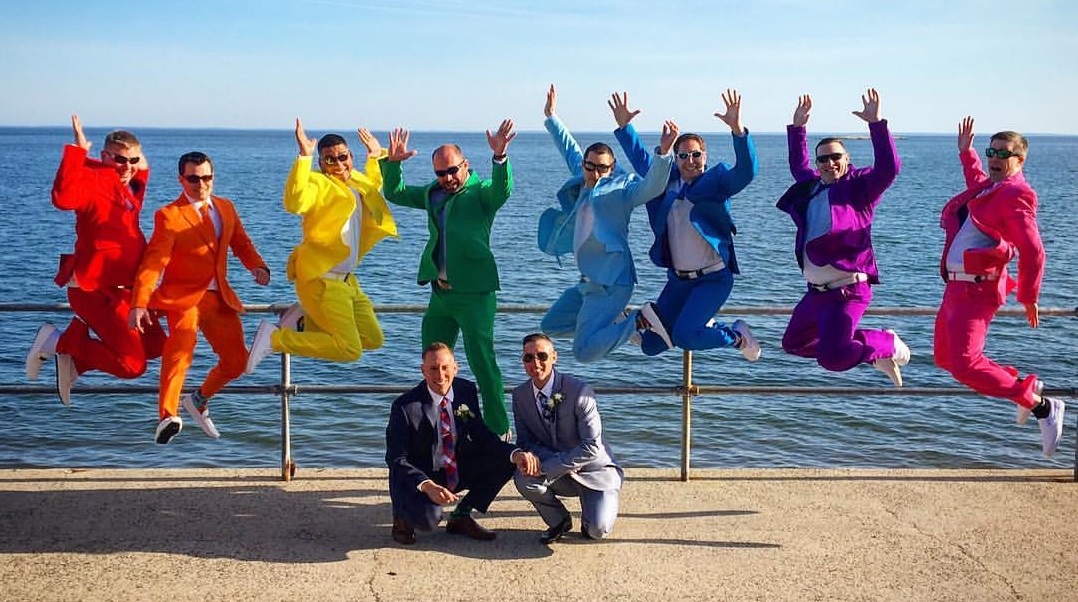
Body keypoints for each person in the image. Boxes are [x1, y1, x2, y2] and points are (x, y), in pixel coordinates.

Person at [934, 117, 1065, 456]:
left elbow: (1034, 250)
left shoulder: (1017, 193)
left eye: (1003, 153)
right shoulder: (992, 187)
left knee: (964, 363)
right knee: (945, 358)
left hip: (978, 291)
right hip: (955, 289)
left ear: (1019, 160)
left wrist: (1028, 296)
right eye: (991, 150)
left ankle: (1041, 405)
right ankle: (1025, 389)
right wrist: (967, 153)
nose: (994, 156)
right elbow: (977, 183)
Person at [379, 121, 517, 437]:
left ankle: (498, 430)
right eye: (441, 173)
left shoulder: (481, 193)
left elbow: (502, 191)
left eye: (452, 170)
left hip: (475, 294)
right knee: (432, 365)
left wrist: (500, 158)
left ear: (465, 165)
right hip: (440, 295)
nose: (448, 178)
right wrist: (393, 164)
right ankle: (434, 429)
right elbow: (395, 192)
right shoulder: (433, 193)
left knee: (482, 363)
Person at [129, 151, 270, 444]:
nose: (201, 183)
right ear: (181, 179)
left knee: (236, 362)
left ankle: (198, 399)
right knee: (180, 352)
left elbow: (241, 243)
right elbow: (154, 263)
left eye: (206, 177)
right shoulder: (169, 216)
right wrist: (139, 302)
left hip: (219, 297)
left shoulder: (225, 208)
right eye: (193, 178)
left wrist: (257, 266)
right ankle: (167, 415)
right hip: (183, 298)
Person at [611, 89, 762, 361]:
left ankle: (737, 336)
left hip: (713, 279)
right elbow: (642, 159)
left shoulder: (717, 182)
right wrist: (625, 127)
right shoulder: (664, 182)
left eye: (695, 155)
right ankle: (649, 321)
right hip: (678, 281)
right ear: (676, 158)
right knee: (651, 346)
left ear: (705, 156)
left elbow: (746, 171)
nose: (690, 161)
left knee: (685, 336)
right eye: (683, 156)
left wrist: (738, 131)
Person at [26, 116, 166, 405]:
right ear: (104, 157)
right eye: (119, 160)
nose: (127, 166)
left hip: (128, 291)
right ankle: (57, 342)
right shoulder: (91, 182)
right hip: (96, 291)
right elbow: (62, 199)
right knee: (132, 366)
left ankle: (76, 361)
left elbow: (143, 169)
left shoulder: (131, 191)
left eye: (132, 160)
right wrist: (78, 152)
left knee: (156, 346)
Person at [776, 89, 910, 386]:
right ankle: (872, 352)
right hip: (816, 294)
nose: (828, 163)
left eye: (835, 157)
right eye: (823, 159)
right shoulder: (811, 188)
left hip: (847, 291)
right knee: (794, 344)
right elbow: (799, 166)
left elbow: (889, 168)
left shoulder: (859, 190)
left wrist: (876, 123)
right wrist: (797, 128)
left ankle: (885, 343)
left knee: (832, 358)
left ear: (846, 160)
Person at [537, 84, 675, 363]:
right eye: (591, 166)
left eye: (602, 168)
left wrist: (663, 154)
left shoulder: (622, 191)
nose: (595, 173)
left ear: (611, 169)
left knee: (584, 352)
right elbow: (569, 149)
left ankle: (637, 321)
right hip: (587, 283)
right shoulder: (583, 175)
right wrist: (552, 117)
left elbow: (653, 187)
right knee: (550, 326)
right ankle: (620, 323)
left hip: (612, 283)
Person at [246, 120, 397, 374]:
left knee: (372, 338)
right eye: (330, 160)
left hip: (348, 283)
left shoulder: (356, 182)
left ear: (350, 156)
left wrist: (375, 156)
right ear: (321, 164)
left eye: (343, 157)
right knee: (350, 349)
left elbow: (374, 186)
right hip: (322, 281)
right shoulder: (318, 184)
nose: (338, 165)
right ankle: (275, 338)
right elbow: (294, 202)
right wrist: (304, 158)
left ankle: (303, 323)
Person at [385, 342, 538, 545]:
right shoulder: (405, 406)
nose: (440, 375)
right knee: (428, 521)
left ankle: (461, 516)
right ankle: (402, 518)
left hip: (455, 466)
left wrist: (516, 453)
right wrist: (428, 486)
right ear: (423, 370)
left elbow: (482, 435)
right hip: (421, 474)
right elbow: (396, 459)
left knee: (505, 460)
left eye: (445, 368)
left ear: (455, 368)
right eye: (433, 368)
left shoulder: (465, 390)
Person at [511, 333, 623, 544]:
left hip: (593, 472)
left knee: (597, 530)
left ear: (554, 357)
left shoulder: (580, 392)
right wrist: (539, 462)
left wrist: (548, 466)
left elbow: (591, 447)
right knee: (523, 477)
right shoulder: (520, 395)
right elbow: (525, 442)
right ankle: (559, 520)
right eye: (528, 358)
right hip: (558, 471)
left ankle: (593, 510)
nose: (536, 363)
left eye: (542, 356)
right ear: (523, 362)